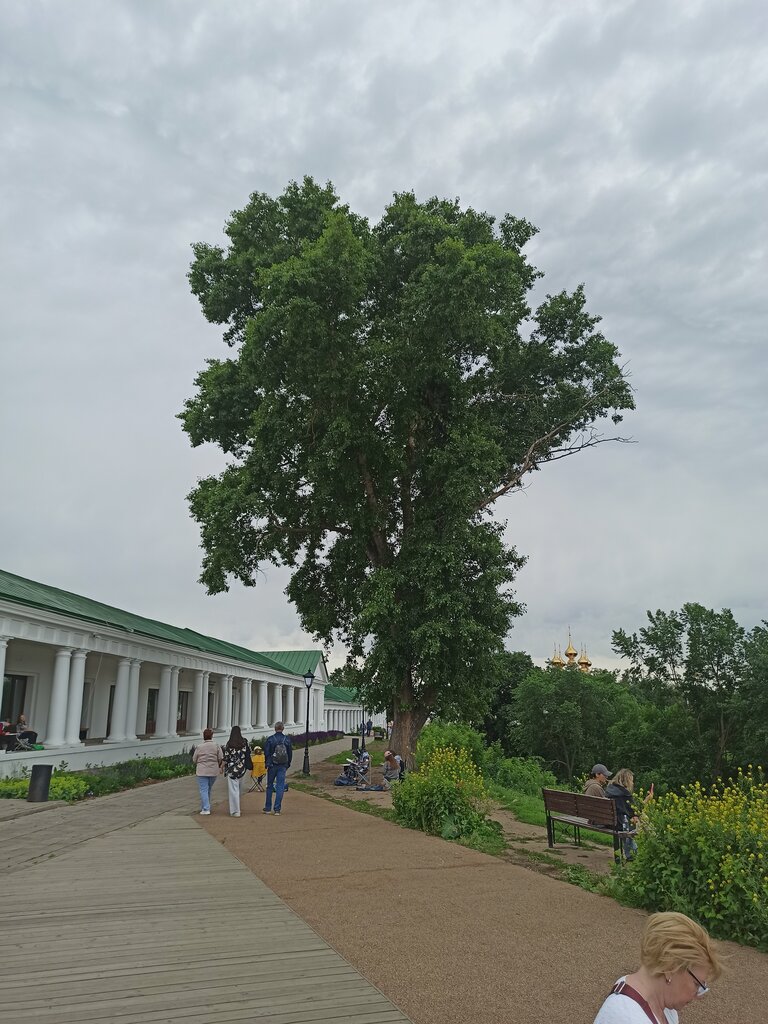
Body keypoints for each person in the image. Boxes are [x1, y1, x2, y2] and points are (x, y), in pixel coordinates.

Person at [594, 911, 721, 1023]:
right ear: (670, 967)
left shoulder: (663, 1006)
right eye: (697, 984)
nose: (698, 995)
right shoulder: (625, 1017)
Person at [606, 768, 648, 860]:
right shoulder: (625, 794)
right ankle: (638, 852)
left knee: (630, 823)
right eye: (632, 780)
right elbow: (635, 811)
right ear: (627, 780)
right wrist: (647, 800)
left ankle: (630, 854)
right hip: (620, 824)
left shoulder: (609, 789)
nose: (632, 783)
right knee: (645, 823)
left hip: (609, 822)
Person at [263, 721, 292, 815]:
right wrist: (288, 764)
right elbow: (290, 753)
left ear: (275, 728)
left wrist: (267, 763)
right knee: (280, 786)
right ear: (283, 728)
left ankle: (267, 808)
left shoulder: (270, 739)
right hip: (282, 765)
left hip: (272, 765)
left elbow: (266, 753)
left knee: (269, 786)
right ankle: (277, 809)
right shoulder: (286, 739)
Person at [222, 725, 251, 817]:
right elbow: (248, 754)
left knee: (233, 790)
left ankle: (235, 811)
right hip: (242, 769)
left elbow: (226, 757)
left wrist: (222, 767)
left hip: (231, 770)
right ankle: (237, 809)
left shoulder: (229, 743)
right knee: (238, 789)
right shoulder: (244, 742)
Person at [192, 727, 222, 815]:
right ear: (212, 736)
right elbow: (220, 757)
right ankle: (205, 806)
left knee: (203, 790)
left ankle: (206, 808)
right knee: (208, 789)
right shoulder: (216, 746)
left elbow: (194, 759)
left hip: (202, 770)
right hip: (213, 770)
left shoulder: (199, 747)